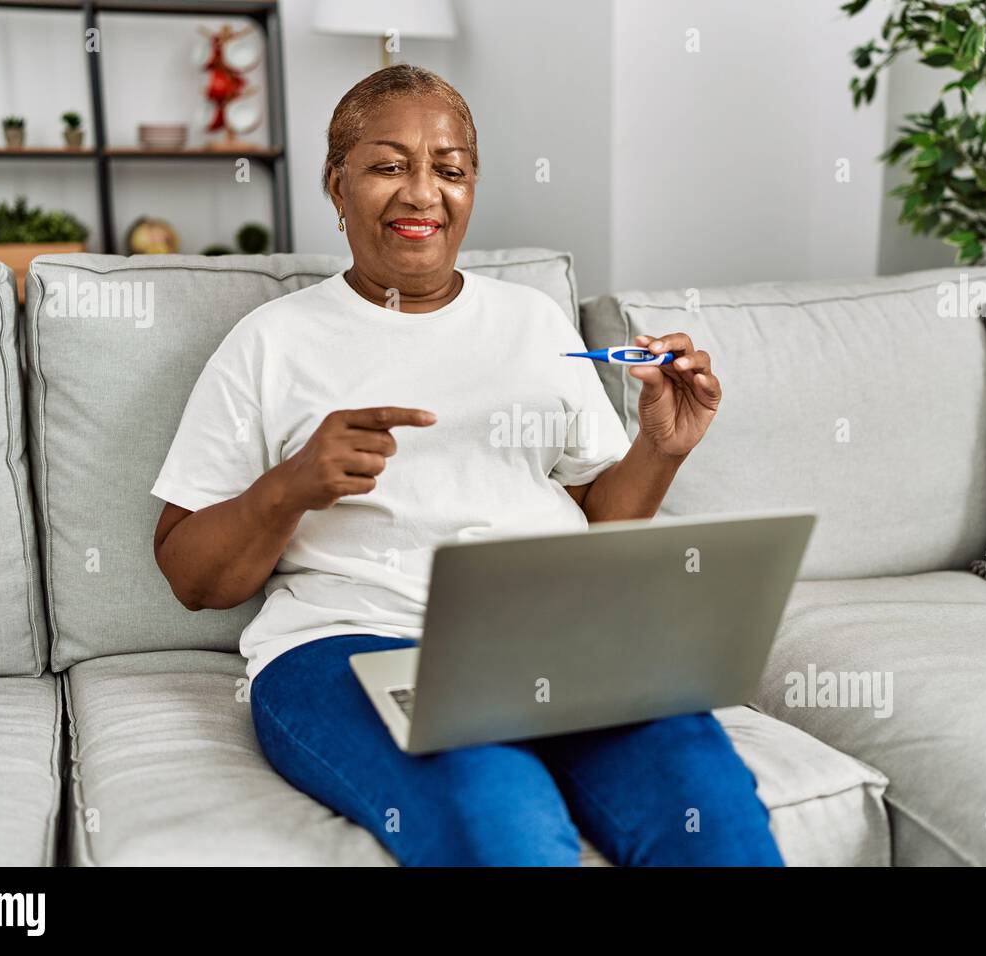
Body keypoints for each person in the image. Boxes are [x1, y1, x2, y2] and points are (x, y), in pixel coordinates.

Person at [152, 64, 782, 867]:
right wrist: (290, 487)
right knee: (496, 819)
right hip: (354, 643)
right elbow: (191, 576)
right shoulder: (270, 343)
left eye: (449, 169)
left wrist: (662, 447)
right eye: (388, 166)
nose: (422, 193)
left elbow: (599, 521)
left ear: (472, 187)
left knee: (712, 810)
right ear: (336, 185)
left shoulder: (532, 320)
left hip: (556, 636)